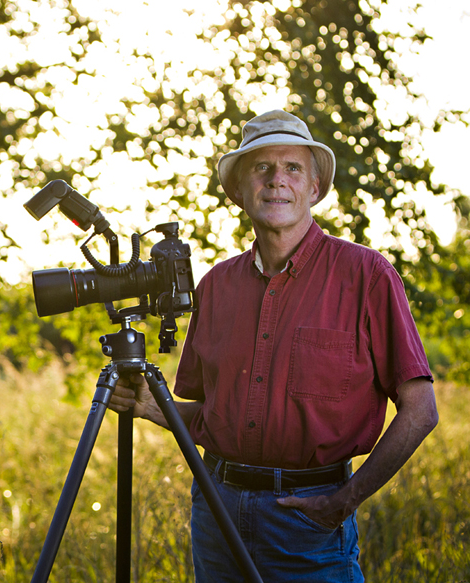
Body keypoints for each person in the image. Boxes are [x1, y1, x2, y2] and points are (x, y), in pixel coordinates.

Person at [108, 109, 438, 582]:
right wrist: (151, 407)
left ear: (314, 189)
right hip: (216, 511)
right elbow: (211, 416)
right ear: (239, 190)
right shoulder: (216, 286)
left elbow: (421, 410)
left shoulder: (366, 275)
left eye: (292, 168)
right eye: (261, 168)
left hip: (309, 523)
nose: (276, 181)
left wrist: (343, 502)